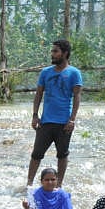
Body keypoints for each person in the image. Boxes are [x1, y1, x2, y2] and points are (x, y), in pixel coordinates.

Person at [27, 39, 82, 187]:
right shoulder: (45, 72)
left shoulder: (74, 73)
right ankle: (29, 184)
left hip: (64, 122)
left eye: (56, 51)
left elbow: (77, 97)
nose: (52, 54)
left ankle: (59, 185)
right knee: (36, 154)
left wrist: (72, 120)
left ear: (65, 53)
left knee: (62, 154)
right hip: (46, 121)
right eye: (52, 51)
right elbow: (38, 94)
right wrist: (34, 115)